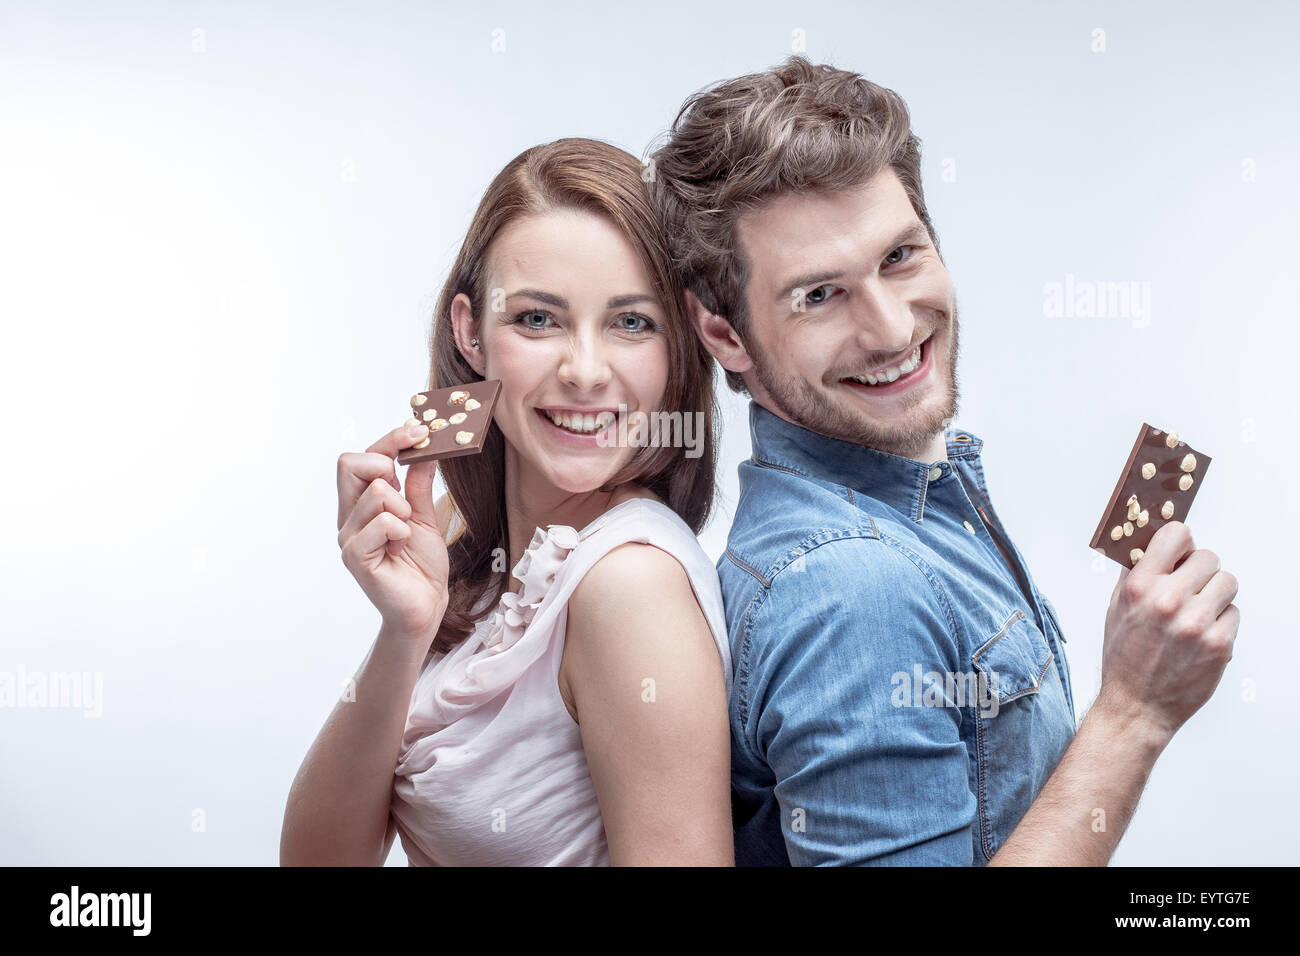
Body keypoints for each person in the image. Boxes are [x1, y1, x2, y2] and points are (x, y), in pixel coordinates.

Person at [645, 55, 1241, 865]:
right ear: (723, 334)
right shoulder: (850, 589)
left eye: (900, 258)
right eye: (819, 295)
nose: (892, 330)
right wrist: (1135, 712)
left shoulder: (920, 503)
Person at [281, 138, 734, 866]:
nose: (585, 372)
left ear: (677, 348)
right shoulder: (485, 559)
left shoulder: (629, 587)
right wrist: (406, 630)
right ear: (470, 332)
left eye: (631, 322)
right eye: (536, 320)